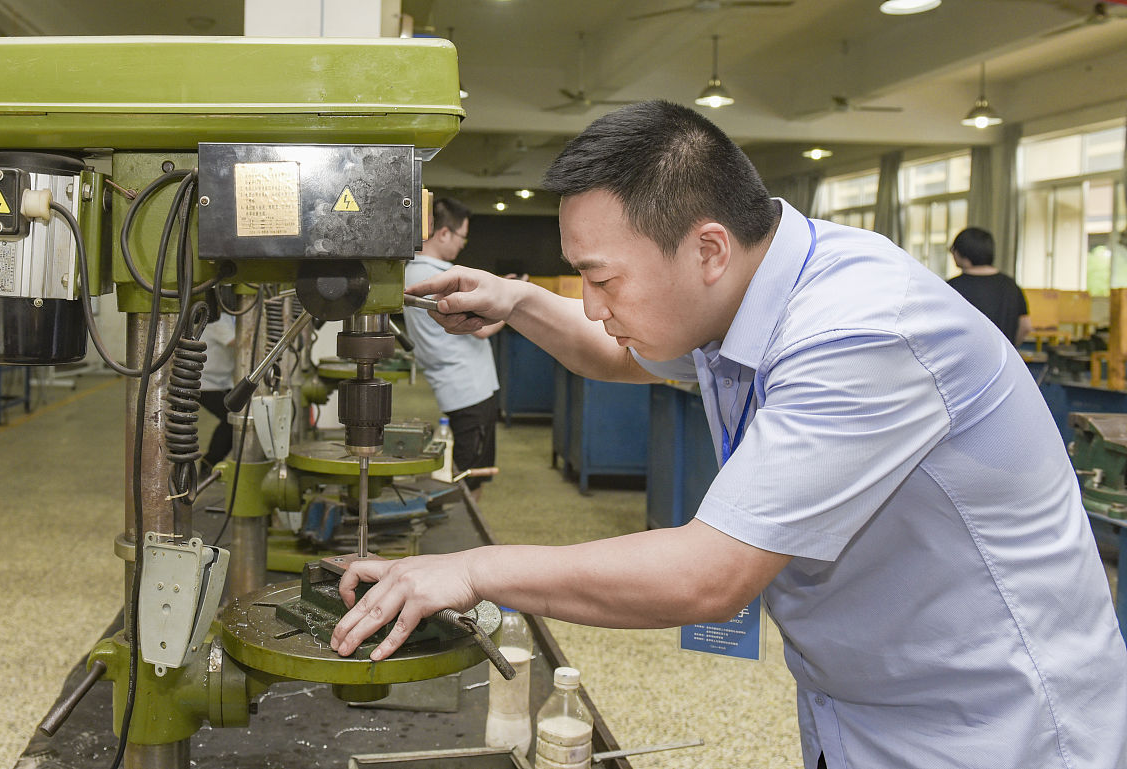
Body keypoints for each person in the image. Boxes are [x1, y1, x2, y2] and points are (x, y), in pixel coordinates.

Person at [331, 101, 1127, 768]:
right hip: (864, 705)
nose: (596, 302)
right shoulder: (745, 291)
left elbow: (710, 575)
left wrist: (473, 569)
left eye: (604, 278)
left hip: (995, 728)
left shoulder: (859, 332)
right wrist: (518, 299)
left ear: (708, 247)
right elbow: (611, 348)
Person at [403, 197, 501, 500]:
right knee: (471, 479)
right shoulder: (444, 278)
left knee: (462, 471)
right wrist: (511, 307)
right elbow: (482, 330)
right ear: (443, 233)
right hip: (471, 390)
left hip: (453, 387)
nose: (462, 244)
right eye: (461, 236)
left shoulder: (410, 270)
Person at [947, 226, 1032, 345]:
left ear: (961, 252)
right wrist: (1011, 350)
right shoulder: (1010, 285)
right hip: (1004, 360)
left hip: (965, 361)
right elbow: (1026, 326)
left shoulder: (951, 287)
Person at [199, 311, 235, 469]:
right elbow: (235, 341)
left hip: (224, 381)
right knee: (231, 419)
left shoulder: (229, 316)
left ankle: (215, 462)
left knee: (238, 419)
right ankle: (210, 463)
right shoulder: (216, 317)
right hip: (206, 383)